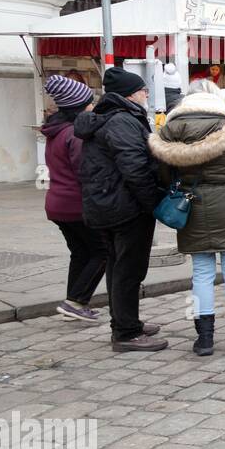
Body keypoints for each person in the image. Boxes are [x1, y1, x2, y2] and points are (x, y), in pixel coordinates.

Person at [149, 89, 225, 356]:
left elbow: (165, 179)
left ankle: (204, 339)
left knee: (201, 273)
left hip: (193, 207)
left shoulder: (169, 130)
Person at [74, 68, 167, 352]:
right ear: (130, 94)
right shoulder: (122, 121)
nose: (146, 94)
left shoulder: (108, 118)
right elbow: (135, 167)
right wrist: (153, 204)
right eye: (143, 90)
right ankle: (126, 333)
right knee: (129, 269)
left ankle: (125, 323)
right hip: (125, 206)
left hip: (106, 203)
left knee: (118, 266)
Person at [42, 75, 108, 321]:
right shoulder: (75, 134)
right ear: (79, 106)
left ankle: (75, 304)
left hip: (57, 202)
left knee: (81, 252)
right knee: (103, 251)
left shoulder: (56, 130)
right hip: (76, 204)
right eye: (89, 103)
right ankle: (76, 301)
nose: (92, 107)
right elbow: (85, 170)